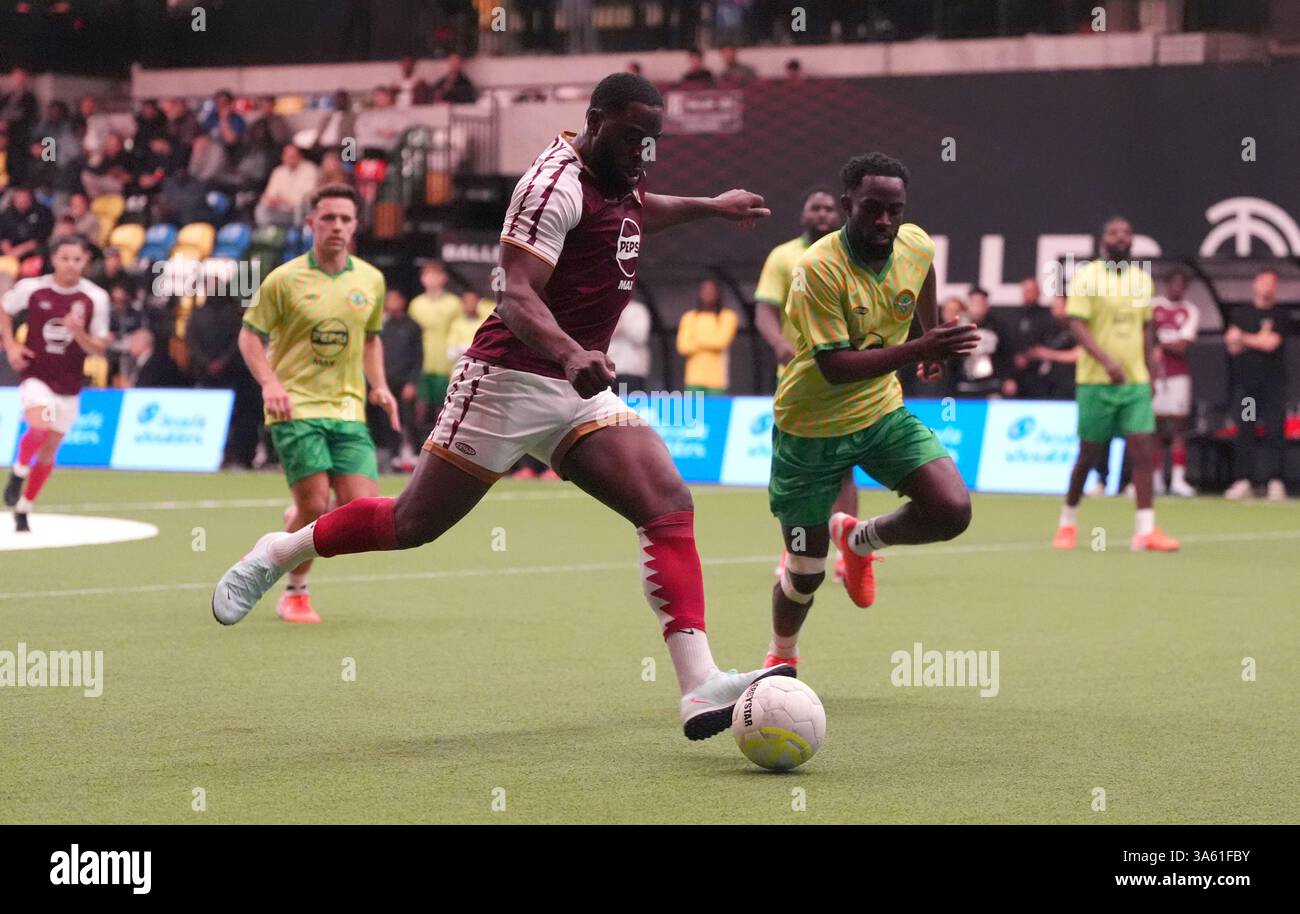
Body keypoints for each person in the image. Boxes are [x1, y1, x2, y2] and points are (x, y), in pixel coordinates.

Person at [212, 73, 788, 743]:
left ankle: (697, 685)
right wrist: (572, 354)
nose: (642, 153)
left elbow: (638, 207)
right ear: (594, 120)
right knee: (412, 522)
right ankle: (281, 550)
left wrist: (711, 207)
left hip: (577, 386)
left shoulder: (621, 166)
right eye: (631, 138)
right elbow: (516, 294)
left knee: (666, 502)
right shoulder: (550, 187)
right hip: (509, 378)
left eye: (651, 142)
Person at [761, 152, 978, 670]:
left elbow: (922, 272)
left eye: (894, 209)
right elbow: (835, 367)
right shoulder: (818, 269)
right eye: (872, 208)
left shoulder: (914, 242)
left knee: (951, 510)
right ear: (846, 205)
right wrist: (922, 350)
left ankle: (858, 539)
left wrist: (927, 333)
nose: (884, 220)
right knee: (806, 570)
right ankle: (782, 657)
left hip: (881, 413)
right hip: (809, 429)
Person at [233, 183, 400, 623]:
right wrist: (270, 384)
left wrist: (379, 385)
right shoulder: (283, 280)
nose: (337, 227)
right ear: (311, 223)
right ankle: (295, 591)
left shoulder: (371, 279)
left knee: (362, 512)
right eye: (328, 218)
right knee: (315, 505)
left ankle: (288, 530)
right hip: (296, 406)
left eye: (346, 219)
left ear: (355, 226)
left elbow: (371, 340)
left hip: (348, 407)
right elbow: (249, 337)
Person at [1053, 216, 1179, 551]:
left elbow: (1147, 328)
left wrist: (1151, 373)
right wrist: (1106, 361)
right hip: (1096, 382)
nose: (1121, 237)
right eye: (1114, 232)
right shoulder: (1086, 277)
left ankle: (1145, 530)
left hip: (1135, 382)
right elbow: (1076, 324)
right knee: (1088, 455)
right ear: (1103, 239)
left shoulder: (1142, 279)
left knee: (1142, 449)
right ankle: (1068, 520)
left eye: (1127, 233)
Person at [752, 186, 851, 580]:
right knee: (797, 470)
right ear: (803, 215)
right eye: (816, 207)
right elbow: (765, 310)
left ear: (839, 215)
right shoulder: (783, 256)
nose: (824, 213)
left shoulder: (850, 255)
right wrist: (778, 343)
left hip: (842, 376)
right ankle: (794, 550)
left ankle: (849, 553)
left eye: (830, 208)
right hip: (795, 380)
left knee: (844, 466)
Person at [1, 236, 110, 532]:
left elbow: (98, 348)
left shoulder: (95, 298)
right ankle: (18, 472)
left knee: (49, 453)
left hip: (71, 383)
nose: (71, 265)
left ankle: (24, 507)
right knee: (38, 428)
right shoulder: (33, 289)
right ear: (54, 260)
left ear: (85, 261)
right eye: (65, 258)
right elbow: (4, 309)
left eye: (77, 259)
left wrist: (79, 333)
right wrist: (11, 346)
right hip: (36, 374)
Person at [1224, 270, 1289, 502]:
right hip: (1248, 389)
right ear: (1255, 285)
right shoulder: (1241, 314)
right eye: (1264, 282)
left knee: (1274, 432)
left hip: (1272, 387)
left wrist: (1244, 338)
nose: (1268, 287)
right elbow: (1231, 345)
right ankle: (1244, 480)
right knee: (1246, 429)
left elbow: (1271, 344)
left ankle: (1274, 481)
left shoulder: (1280, 316)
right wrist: (1255, 339)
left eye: (1273, 283)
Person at [1150, 270, 1199, 496]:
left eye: (1183, 284)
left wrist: (1159, 341)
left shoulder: (1190, 311)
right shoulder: (1154, 306)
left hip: (1178, 375)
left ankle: (1178, 479)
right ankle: (1156, 478)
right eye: (1174, 283)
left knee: (1178, 426)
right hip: (1154, 374)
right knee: (1154, 427)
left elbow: (1182, 346)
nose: (1178, 287)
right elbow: (1144, 337)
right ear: (1167, 284)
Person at [372, 287, 423, 472]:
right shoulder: (382, 326)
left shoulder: (413, 326)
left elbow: (418, 356)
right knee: (387, 420)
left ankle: (416, 455)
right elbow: (374, 355)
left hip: (405, 380)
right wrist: (376, 384)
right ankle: (393, 457)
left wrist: (412, 381)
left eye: (395, 299)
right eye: (389, 299)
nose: (391, 302)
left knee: (409, 419)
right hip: (386, 381)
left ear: (403, 301)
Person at [407, 260, 462, 430]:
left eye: (435, 274)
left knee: (443, 407)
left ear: (443, 278)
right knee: (419, 406)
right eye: (427, 275)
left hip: (445, 364)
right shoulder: (416, 304)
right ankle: (413, 445)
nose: (431, 279)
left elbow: (459, 332)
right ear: (422, 279)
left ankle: (439, 446)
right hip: (421, 363)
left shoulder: (454, 303)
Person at [676, 279, 737, 394]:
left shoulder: (727, 317)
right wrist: (710, 339)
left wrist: (696, 338)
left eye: (711, 290)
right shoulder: (689, 317)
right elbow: (683, 347)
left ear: (718, 294)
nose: (708, 294)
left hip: (718, 381)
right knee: (694, 412)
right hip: (693, 380)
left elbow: (721, 342)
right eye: (705, 290)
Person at [255, 144, 319, 227]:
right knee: (261, 208)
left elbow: (308, 196)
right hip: (282, 209)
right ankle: (269, 233)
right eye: (288, 156)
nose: (291, 158)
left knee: (301, 209)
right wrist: (269, 200)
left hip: (300, 209)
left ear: (300, 156)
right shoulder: (278, 171)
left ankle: (297, 235)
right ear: (283, 157)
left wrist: (285, 201)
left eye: (293, 156)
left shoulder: (310, 169)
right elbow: (269, 195)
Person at [608, 295, 651, 394]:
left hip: (631, 371)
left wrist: (622, 321)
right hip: (607, 372)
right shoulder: (606, 309)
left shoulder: (637, 310)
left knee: (630, 406)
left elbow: (640, 337)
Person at [0, 185, 53, 261]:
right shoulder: (6, 214)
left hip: (34, 252)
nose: (21, 200)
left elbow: (40, 239)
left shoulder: (43, 213)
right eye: (19, 197)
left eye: (24, 197)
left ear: (30, 198)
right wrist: (10, 254)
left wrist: (21, 249)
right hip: (10, 253)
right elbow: (3, 239)